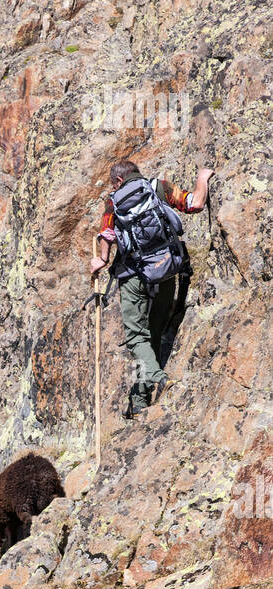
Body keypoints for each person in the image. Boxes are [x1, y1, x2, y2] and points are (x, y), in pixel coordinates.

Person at [90, 159, 213, 417]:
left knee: (137, 336)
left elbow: (107, 234)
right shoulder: (158, 187)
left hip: (134, 275)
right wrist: (203, 177)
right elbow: (194, 203)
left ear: (118, 181)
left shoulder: (113, 201)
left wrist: (101, 260)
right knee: (154, 333)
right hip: (165, 268)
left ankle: (156, 378)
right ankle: (139, 399)